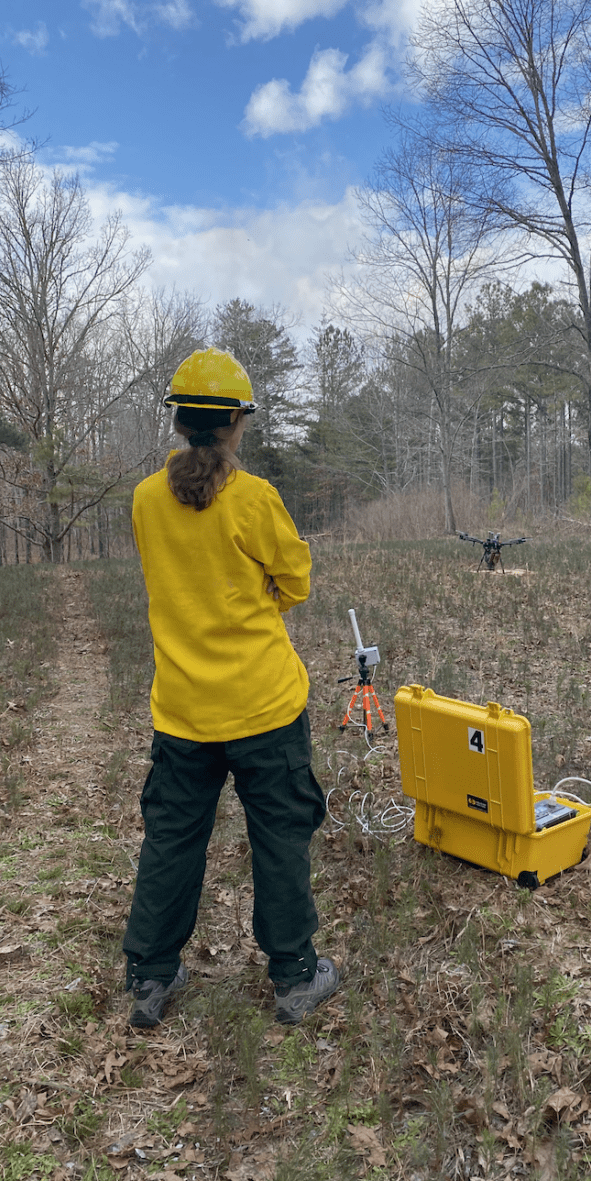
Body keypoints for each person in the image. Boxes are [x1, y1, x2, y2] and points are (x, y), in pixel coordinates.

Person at [122, 347, 339, 1028]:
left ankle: (150, 974)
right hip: (264, 707)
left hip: (182, 711)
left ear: (178, 420)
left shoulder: (146, 499)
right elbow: (296, 583)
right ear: (237, 421)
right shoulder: (254, 497)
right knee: (279, 838)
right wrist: (259, 591)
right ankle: (294, 977)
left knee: (171, 839)